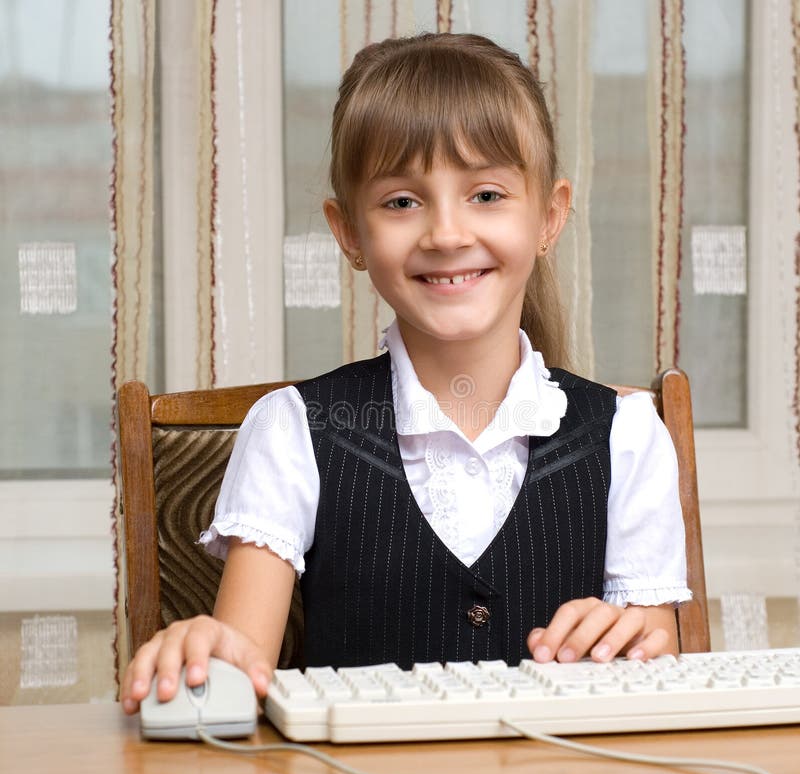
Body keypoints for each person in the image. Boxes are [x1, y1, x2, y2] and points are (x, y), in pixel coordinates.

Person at [121, 32, 690, 715]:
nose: (446, 234)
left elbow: (660, 671)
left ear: (549, 216)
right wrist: (205, 653)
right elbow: (238, 671)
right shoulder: (291, 431)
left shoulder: (628, 437)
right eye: (401, 202)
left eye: (486, 194)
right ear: (349, 232)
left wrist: (635, 642)